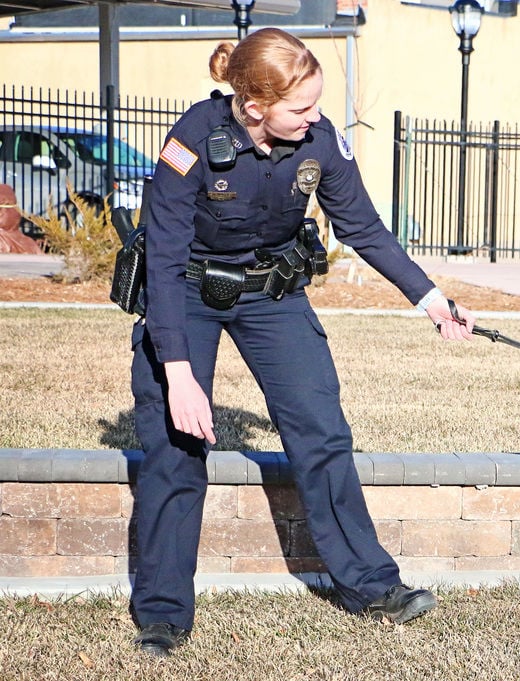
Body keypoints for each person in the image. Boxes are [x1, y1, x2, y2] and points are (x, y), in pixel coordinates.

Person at [129, 27, 475, 658]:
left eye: (318, 104)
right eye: (302, 108)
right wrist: (177, 372)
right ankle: (162, 612)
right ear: (255, 105)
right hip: (187, 291)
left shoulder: (319, 142)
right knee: (175, 446)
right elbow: (165, 258)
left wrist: (430, 300)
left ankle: (371, 586)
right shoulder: (191, 142)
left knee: (321, 431)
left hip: (271, 292)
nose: (315, 118)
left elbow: (363, 228)